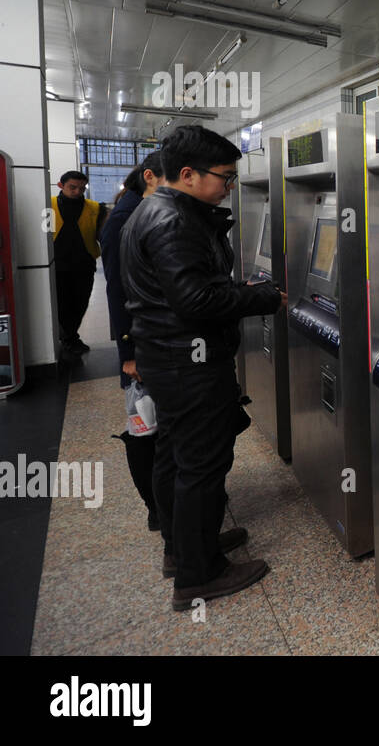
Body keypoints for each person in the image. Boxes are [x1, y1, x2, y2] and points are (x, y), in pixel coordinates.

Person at [120, 126, 285, 611]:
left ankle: (184, 547)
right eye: (225, 178)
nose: (229, 187)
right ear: (187, 174)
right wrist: (260, 297)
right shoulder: (172, 220)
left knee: (176, 455)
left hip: (168, 356)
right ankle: (199, 575)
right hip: (188, 362)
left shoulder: (154, 210)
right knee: (202, 465)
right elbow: (195, 298)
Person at [100, 153, 164, 532]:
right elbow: (117, 290)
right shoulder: (126, 220)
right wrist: (128, 354)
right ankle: (158, 509)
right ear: (149, 177)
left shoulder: (133, 211)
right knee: (145, 429)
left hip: (144, 342)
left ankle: (164, 509)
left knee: (151, 425)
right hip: (140, 347)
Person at [51, 170, 105, 354]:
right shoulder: (48, 206)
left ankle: (70, 335)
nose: (77, 192)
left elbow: (101, 235)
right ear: (61, 185)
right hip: (56, 266)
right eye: (72, 187)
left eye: (81, 188)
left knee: (80, 302)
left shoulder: (95, 208)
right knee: (60, 303)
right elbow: (43, 235)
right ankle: (68, 337)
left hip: (84, 265)